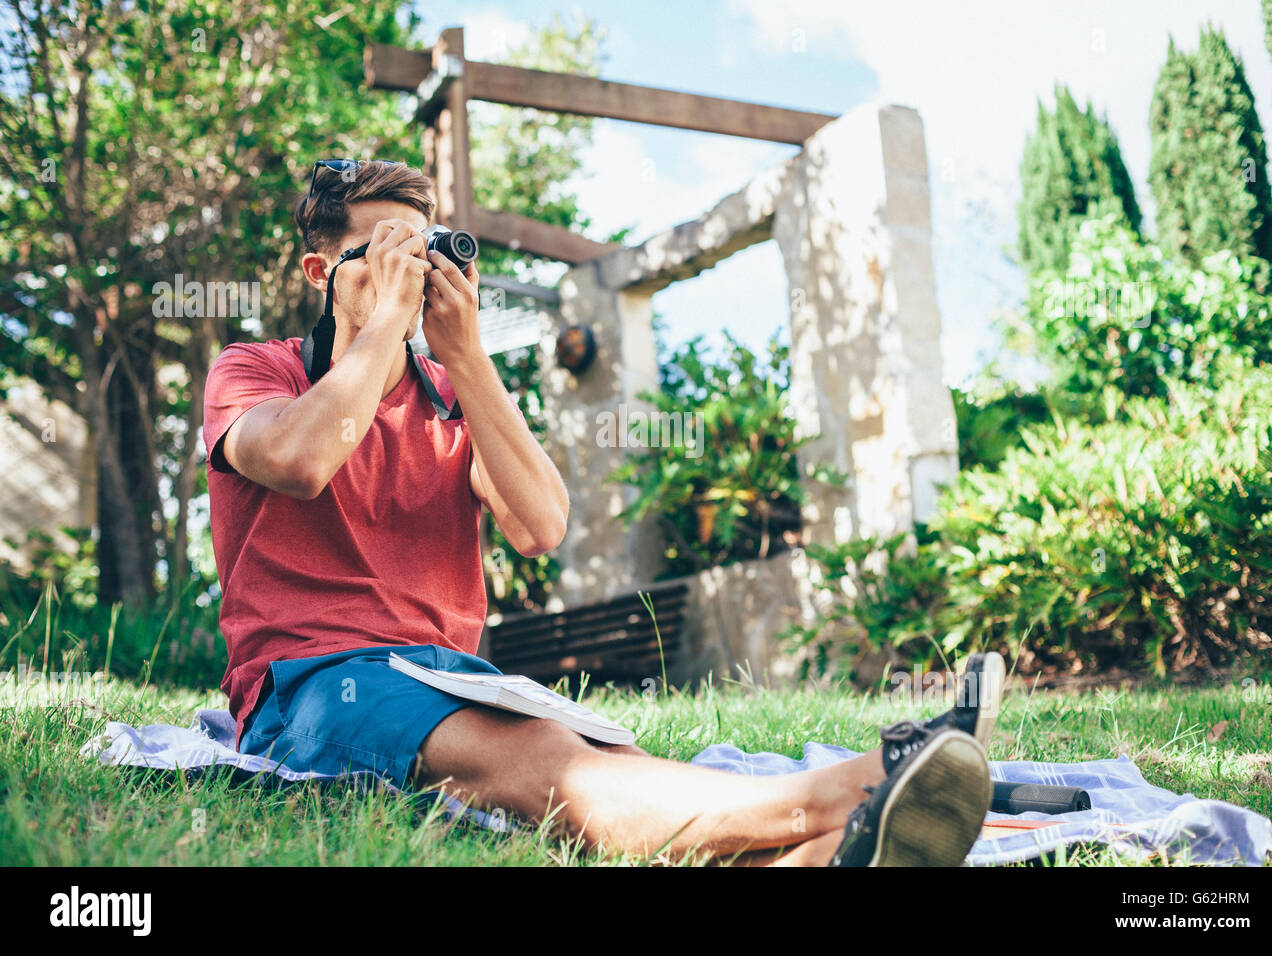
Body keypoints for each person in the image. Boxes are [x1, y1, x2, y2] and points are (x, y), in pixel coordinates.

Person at [202, 158, 1003, 867]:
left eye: (421, 253)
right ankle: (855, 789)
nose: (408, 277)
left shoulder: (452, 399)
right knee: (549, 762)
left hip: (454, 682)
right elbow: (301, 462)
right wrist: (381, 326)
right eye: (383, 256)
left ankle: (829, 854)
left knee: (602, 766)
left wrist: (469, 357)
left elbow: (540, 526)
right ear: (319, 271)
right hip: (311, 686)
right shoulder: (258, 372)